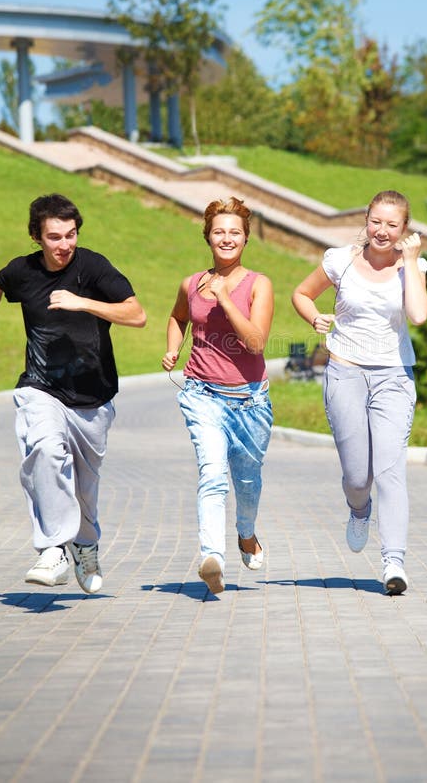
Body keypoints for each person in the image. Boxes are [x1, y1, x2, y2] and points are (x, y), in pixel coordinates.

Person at [0, 193, 146, 593]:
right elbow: (0, 285)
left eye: (71, 235)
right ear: (36, 237)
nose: (64, 245)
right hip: (41, 388)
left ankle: (85, 544)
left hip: (93, 400)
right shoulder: (22, 272)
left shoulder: (92, 266)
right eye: (54, 237)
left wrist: (82, 302)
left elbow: (137, 315)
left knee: (83, 489)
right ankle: (52, 550)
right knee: (43, 449)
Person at [292, 190, 427, 595]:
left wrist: (409, 263)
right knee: (358, 476)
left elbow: (419, 315)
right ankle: (358, 509)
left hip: (394, 377)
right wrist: (315, 316)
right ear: (366, 220)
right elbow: (301, 294)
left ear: (405, 230)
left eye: (392, 225)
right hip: (345, 373)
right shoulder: (341, 260)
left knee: (390, 470)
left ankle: (394, 561)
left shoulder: (413, 266)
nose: (382, 231)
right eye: (376, 221)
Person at [162, 197, 274, 595]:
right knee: (212, 475)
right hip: (201, 394)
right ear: (208, 237)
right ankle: (213, 557)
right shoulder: (190, 284)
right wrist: (174, 348)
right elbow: (177, 317)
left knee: (247, 481)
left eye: (235, 233)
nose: (226, 238)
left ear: (245, 239)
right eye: (219, 232)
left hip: (250, 401)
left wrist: (225, 296)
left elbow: (257, 343)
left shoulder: (259, 284)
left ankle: (246, 533)